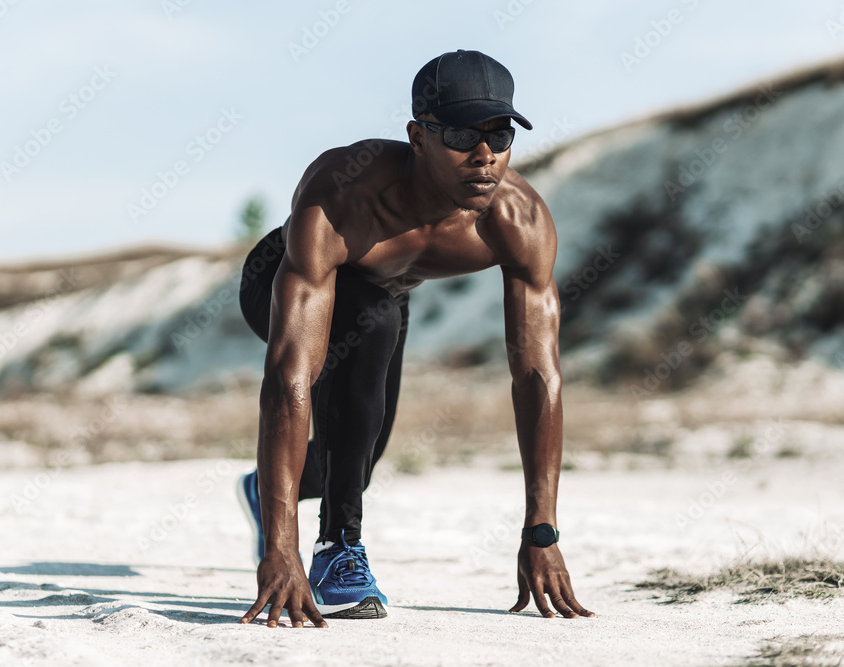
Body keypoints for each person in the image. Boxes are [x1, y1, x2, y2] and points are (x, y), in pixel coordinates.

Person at [235, 49, 594, 627]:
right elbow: (289, 378)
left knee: (360, 450)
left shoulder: (518, 221)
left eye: (500, 135)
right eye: (461, 135)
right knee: (371, 322)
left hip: (384, 301)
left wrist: (542, 531)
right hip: (284, 279)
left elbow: (537, 375)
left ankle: (270, 489)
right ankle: (337, 548)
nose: (484, 155)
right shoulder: (345, 193)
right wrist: (281, 548)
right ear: (418, 137)